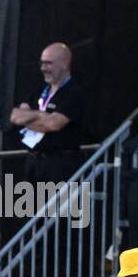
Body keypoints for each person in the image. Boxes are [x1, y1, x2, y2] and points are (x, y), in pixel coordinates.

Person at [9, 42, 85, 192]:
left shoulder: (73, 93)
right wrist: (40, 116)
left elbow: (53, 124)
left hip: (59, 164)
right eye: (42, 63)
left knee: (58, 212)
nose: (43, 68)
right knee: (32, 211)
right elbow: (15, 116)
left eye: (48, 63)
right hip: (34, 161)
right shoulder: (39, 89)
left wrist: (30, 117)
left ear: (64, 63)